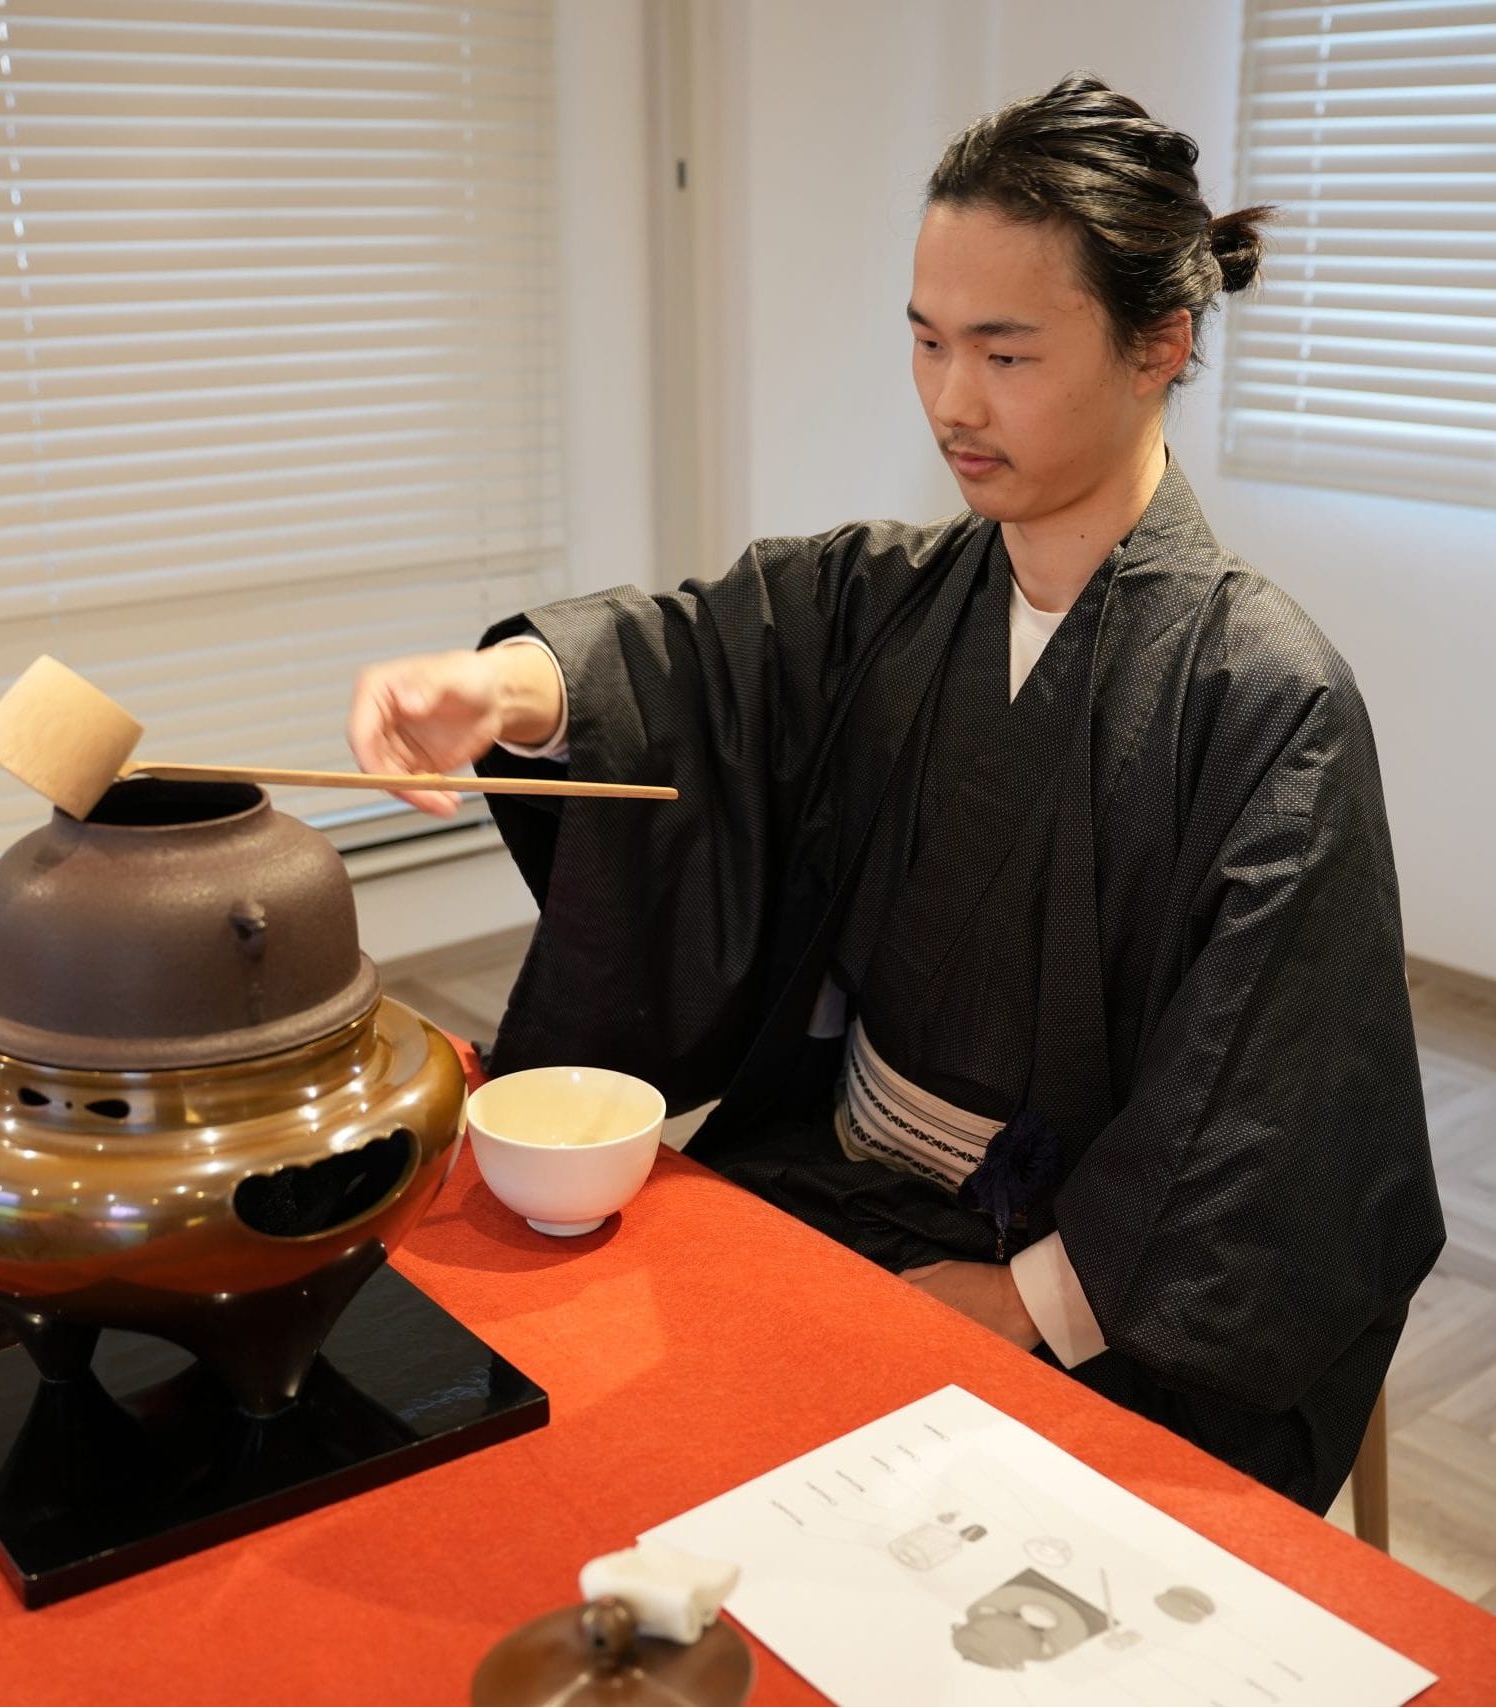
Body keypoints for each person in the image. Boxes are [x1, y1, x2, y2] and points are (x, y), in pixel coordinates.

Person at [347, 74, 1444, 1513]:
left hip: (1108, 1293)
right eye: (925, 343)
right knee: (561, 1446)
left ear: (1156, 345)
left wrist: (1033, 1302)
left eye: (1004, 352)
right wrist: (505, 695)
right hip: (843, 1176)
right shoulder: (890, 597)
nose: (950, 401)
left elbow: (1265, 1101)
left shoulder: (1262, 698)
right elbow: (698, 662)